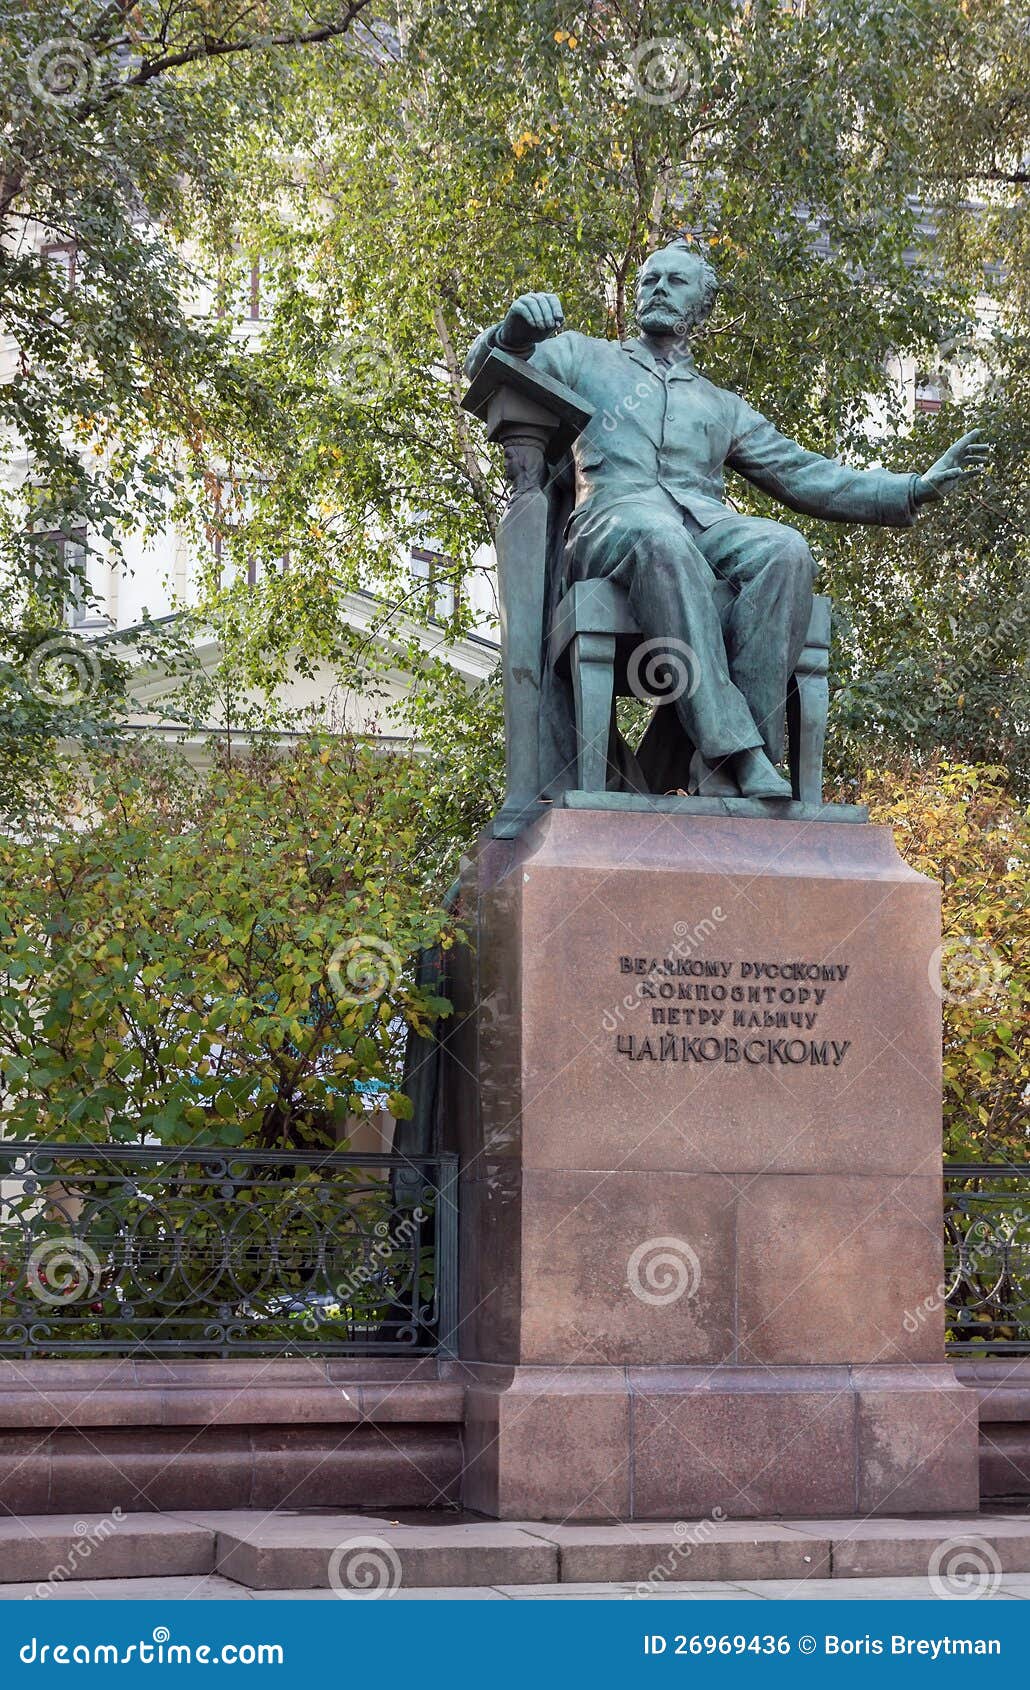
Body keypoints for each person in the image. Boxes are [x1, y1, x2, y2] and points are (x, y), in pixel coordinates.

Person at [465, 238, 988, 798]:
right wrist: (513, 331)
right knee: (659, 537)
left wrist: (912, 488)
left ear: (702, 308)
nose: (658, 288)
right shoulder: (582, 356)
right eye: (649, 279)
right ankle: (738, 751)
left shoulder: (721, 405)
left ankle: (722, 773)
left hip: (703, 529)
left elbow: (806, 475)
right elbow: (490, 369)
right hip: (610, 525)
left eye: (675, 281)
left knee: (786, 550)